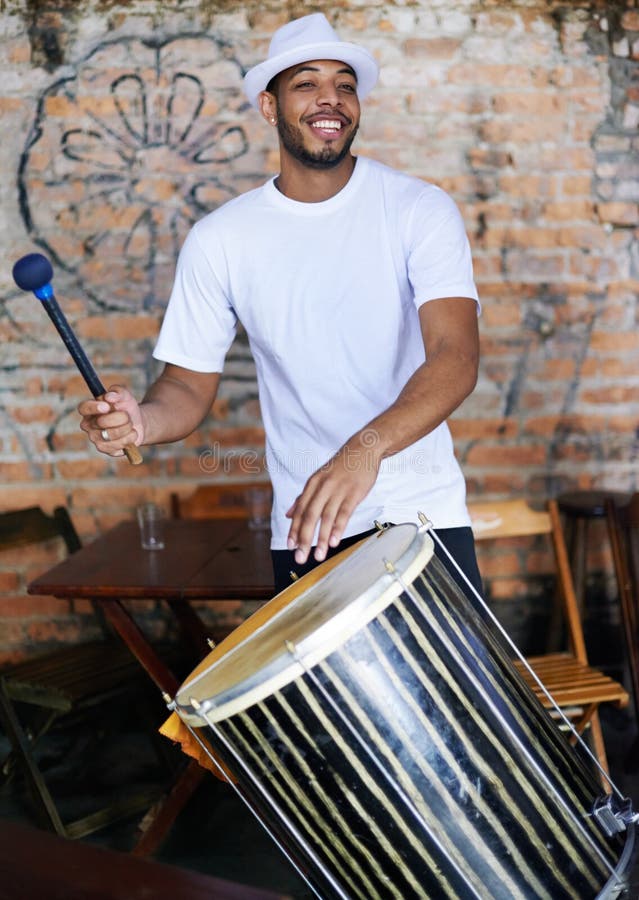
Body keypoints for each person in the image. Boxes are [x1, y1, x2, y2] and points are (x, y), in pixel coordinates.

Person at [78, 13, 483, 597]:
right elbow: (186, 389)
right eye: (307, 84)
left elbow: (454, 358)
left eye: (345, 84)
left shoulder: (419, 209)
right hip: (307, 532)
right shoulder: (222, 238)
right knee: (325, 695)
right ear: (269, 108)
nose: (332, 99)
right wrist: (142, 420)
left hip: (423, 518)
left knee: (453, 691)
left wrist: (361, 452)